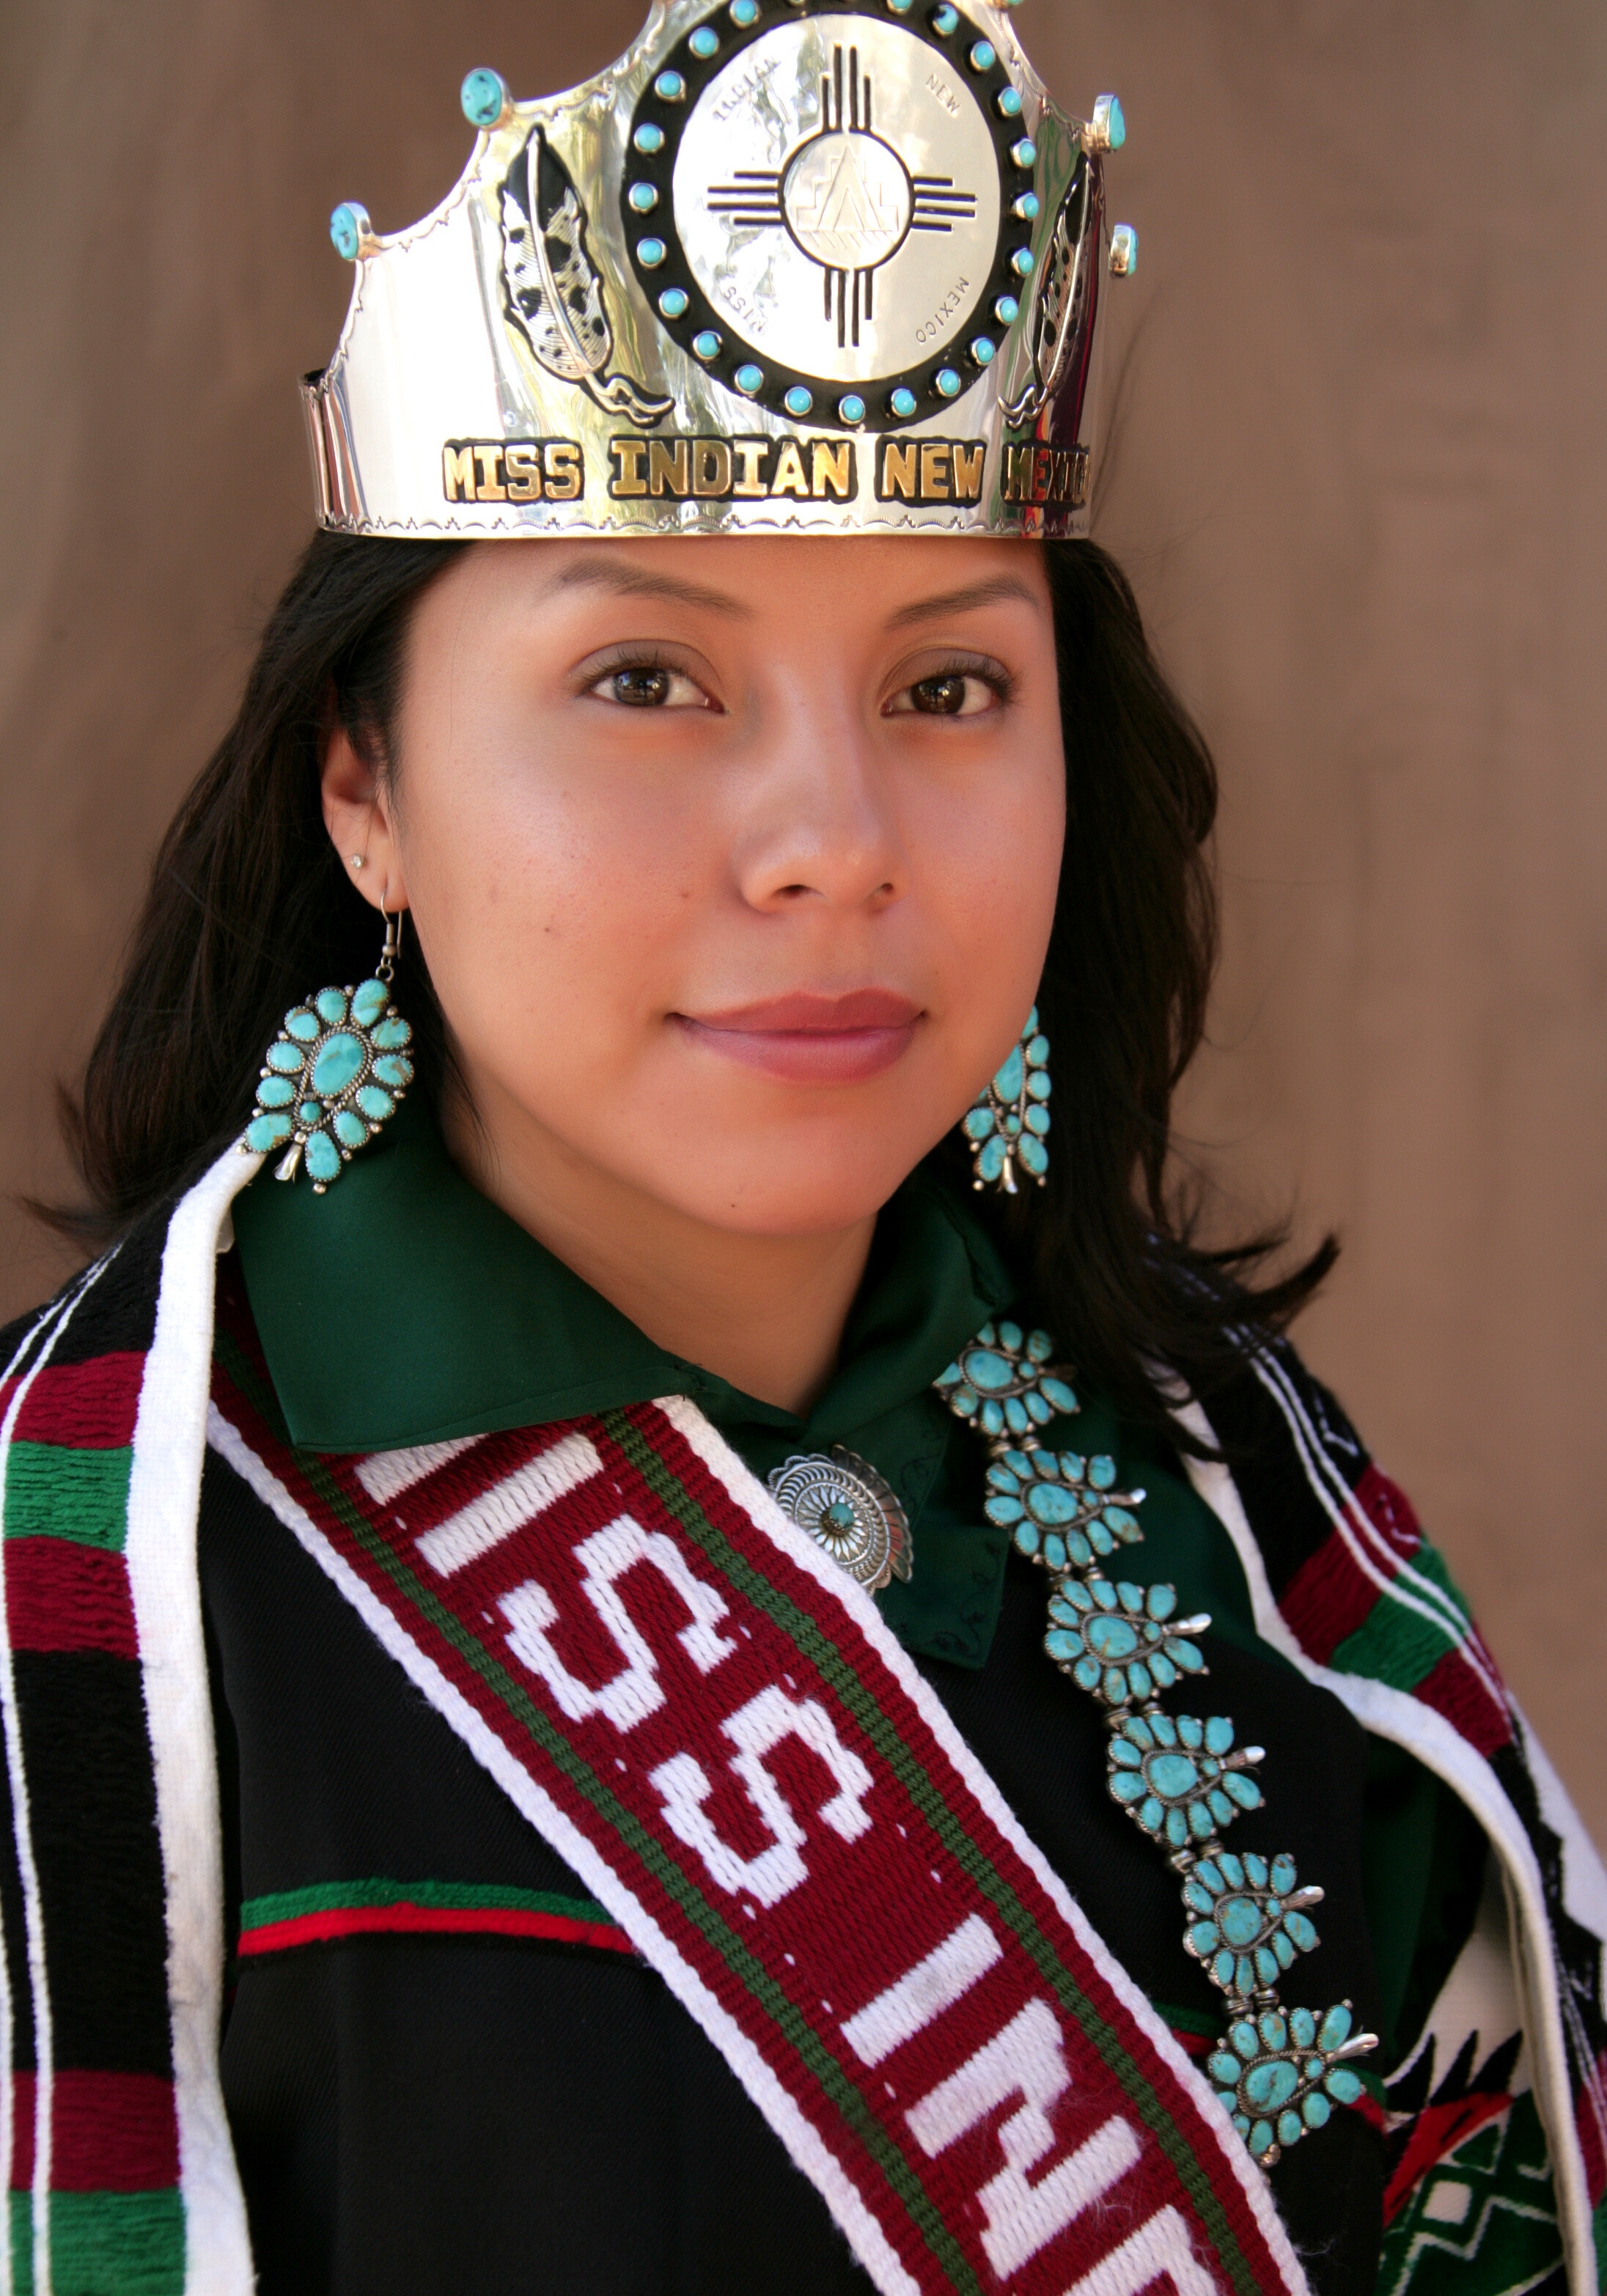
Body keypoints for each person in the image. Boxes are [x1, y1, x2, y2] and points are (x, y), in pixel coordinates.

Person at [2, 10, 1602, 2296]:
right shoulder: (93, 1582)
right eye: (649, 679)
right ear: (362, 784)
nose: (834, 850)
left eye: (948, 688)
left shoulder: (1233, 1477)